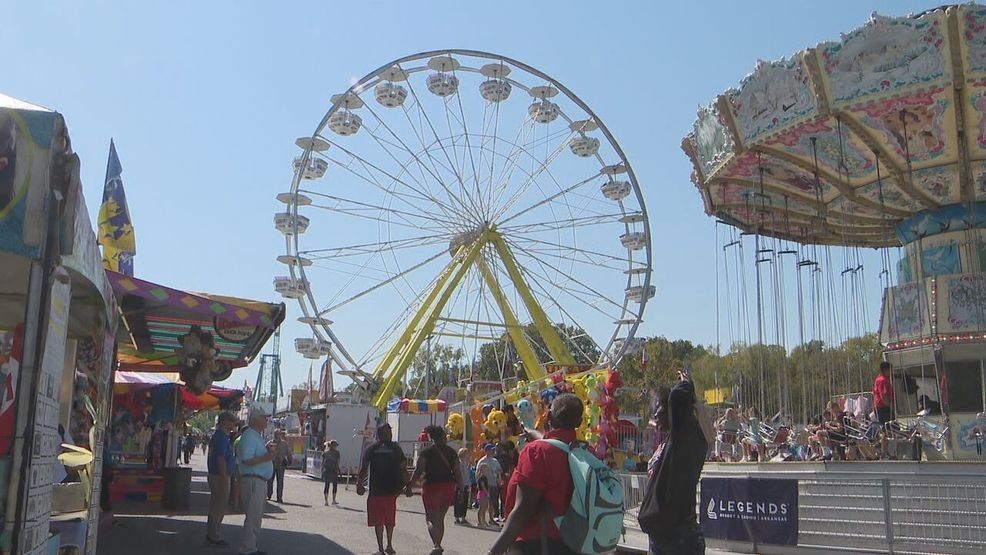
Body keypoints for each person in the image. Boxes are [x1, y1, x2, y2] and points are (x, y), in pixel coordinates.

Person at [488, 393, 585, 555]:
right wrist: (535, 435)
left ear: (548, 416)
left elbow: (523, 509)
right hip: (575, 543)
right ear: (579, 422)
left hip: (537, 542)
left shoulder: (537, 452)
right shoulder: (585, 452)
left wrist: (494, 551)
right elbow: (559, 444)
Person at [637, 371, 708, 555]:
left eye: (659, 408)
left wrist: (686, 384)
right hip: (661, 535)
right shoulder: (668, 444)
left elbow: (677, 398)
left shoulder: (683, 440)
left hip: (678, 536)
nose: (655, 415)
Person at [405, 425, 463, 555]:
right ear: (443, 437)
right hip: (448, 486)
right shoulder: (451, 452)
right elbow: (457, 472)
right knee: (440, 519)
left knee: (431, 519)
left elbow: (418, 470)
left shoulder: (426, 453)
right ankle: (438, 545)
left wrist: (410, 485)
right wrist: (461, 489)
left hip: (431, 487)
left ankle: (436, 545)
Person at [357, 423, 407, 555]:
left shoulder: (372, 448)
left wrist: (359, 483)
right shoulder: (396, 448)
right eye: (389, 431)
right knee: (389, 519)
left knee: (378, 520)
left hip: (376, 490)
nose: (390, 434)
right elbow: (403, 468)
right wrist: (408, 485)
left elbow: (364, 468)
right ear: (383, 434)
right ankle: (389, 545)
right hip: (392, 491)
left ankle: (380, 548)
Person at [236, 406, 276, 555]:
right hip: (253, 480)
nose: (266, 420)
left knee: (256, 516)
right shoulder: (250, 436)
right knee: (253, 516)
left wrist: (266, 452)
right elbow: (247, 460)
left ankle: (251, 546)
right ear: (255, 420)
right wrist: (268, 457)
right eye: (264, 418)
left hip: (257, 480)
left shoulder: (254, 436)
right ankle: (248, 548)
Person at [206, 412, 237, 548]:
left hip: (217, 475)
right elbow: (221, 459)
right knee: (219, 507)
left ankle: (212, 533)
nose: (234, 425)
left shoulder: (220, 436)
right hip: (220, 477)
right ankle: (214, 535)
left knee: (216, 506)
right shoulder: (221, 438)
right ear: (225, 422)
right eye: (232, 422)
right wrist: (225, 477)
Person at [475, 444, 502, 523]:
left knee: (492, 502)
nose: (493, 451)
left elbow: (499, 470)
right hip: (485, 485)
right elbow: (477, 474)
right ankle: (481, 520)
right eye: (491, 450)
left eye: (493, 450)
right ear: (486, 451)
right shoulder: (482, 461)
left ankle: (491, 518)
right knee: (484, 504)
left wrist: (498, 476)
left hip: (494, 484)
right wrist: (479, 484)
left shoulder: (495, 461)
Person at [873, 361, 895, 458]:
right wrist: (892, 407)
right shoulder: (883, 381)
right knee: (887, 430)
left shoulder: (879, 379)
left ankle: (887, 450)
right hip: (883, 408)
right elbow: (884, 396)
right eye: (890, 370)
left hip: (882, 408)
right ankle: (883, 452)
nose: (891, 372)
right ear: (886, 370)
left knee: (891, 429)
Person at [266, 430, 292, 503]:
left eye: (278, 434)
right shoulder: (270, 443)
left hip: (281, 465)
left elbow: (288, 452)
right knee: (270, 481)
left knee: (280, 482)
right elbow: (264, 450)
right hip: (271, 464)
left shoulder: (284, 444)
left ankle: (279, 497)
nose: (277, 435)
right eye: (276, 434)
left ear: (280, 435)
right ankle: (269, 494)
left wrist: (290, 460)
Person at [453, 447, 472, 525]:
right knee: (458, 501)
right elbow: (459, 474)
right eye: (466, 453)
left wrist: (469, 484)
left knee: (465, 501)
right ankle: (457, 517)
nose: (467, 455)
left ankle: (463, 517)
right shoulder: (459, 462)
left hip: (466, 484)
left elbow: (467, 475)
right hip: (460, 484)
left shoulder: (465, 463)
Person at [322, 439, 341, 506]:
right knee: (334, 485)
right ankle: (333, 500)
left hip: (327, 470)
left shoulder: (325, 452)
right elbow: (338, 462)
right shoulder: (337, 453)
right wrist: (339, 470)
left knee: (327, 485)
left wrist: (322, 469)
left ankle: (326, 501)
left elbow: (323, 462)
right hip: (334, 470)